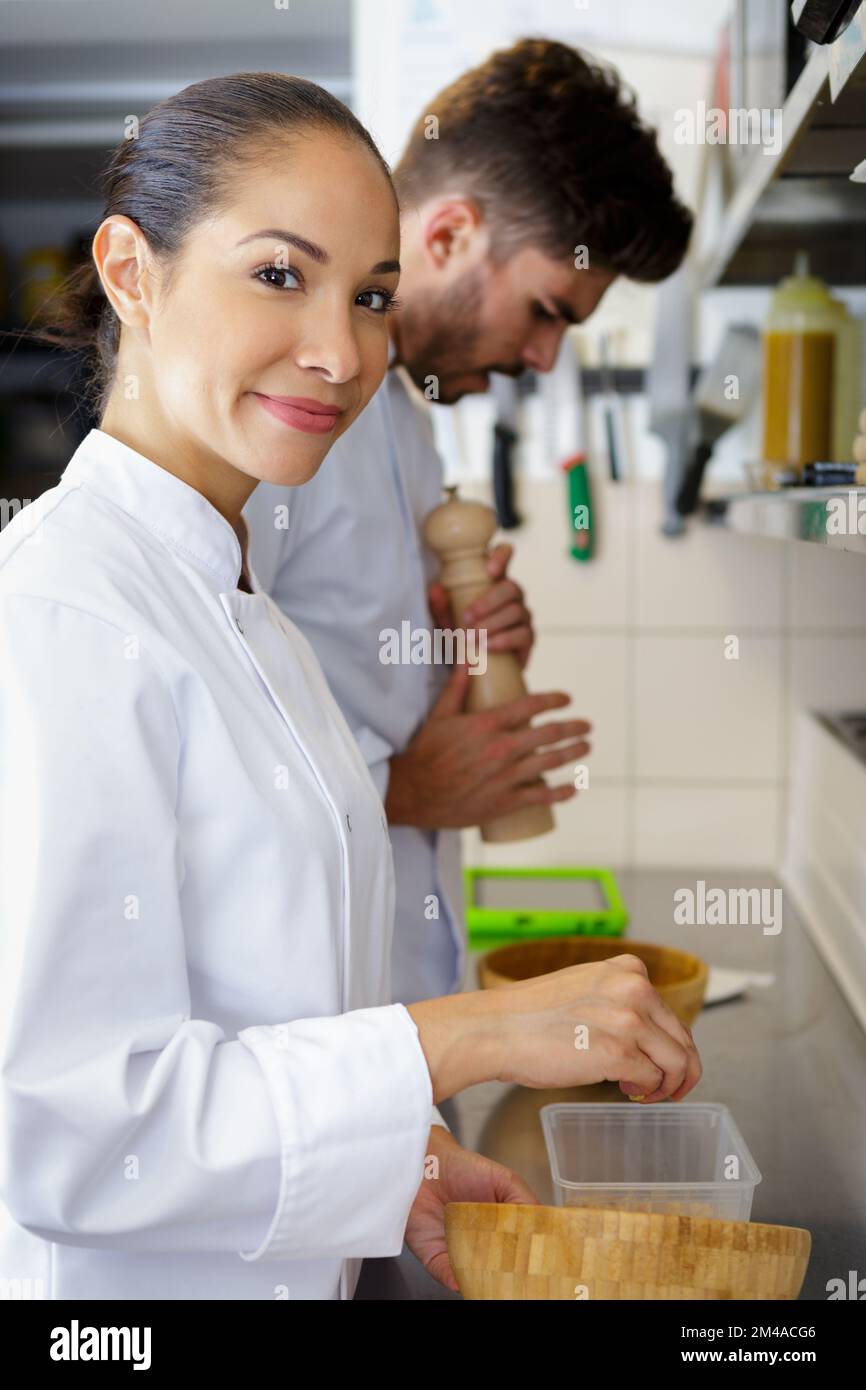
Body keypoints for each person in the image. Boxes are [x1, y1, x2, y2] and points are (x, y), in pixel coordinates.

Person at [0, 72, 701, 1303]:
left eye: (370, 297)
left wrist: (397, 1163)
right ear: (130, 272)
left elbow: (255, 1011)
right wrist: (472, 1032)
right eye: (279, 274)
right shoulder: (62, 615)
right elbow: (66, 1136)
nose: (341, 352)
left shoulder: (243, 610)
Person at [242, 38, 694, 1010]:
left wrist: (450, 637)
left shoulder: (403, 415)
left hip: (396, 1010)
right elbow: (197, 707)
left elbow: (334, 654)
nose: (542, 358)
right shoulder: (286, 400)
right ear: (445, 236)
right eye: (545, 311)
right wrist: (403, 790)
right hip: (299, 1024)